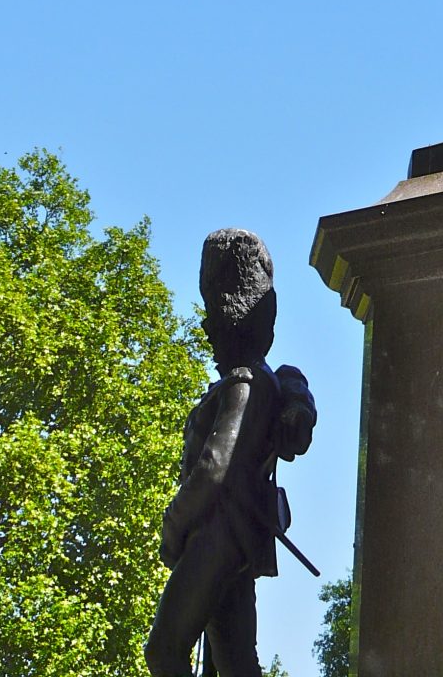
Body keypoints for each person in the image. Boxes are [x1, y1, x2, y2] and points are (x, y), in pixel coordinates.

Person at [145, 229, 316, 677]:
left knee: (164, 649)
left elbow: (213, 468)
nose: (204, 328)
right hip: (238, 539)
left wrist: (173, 526)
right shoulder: (262, 381)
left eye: (211, 317)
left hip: (217, 535)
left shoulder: (243, 382)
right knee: (237, 662)